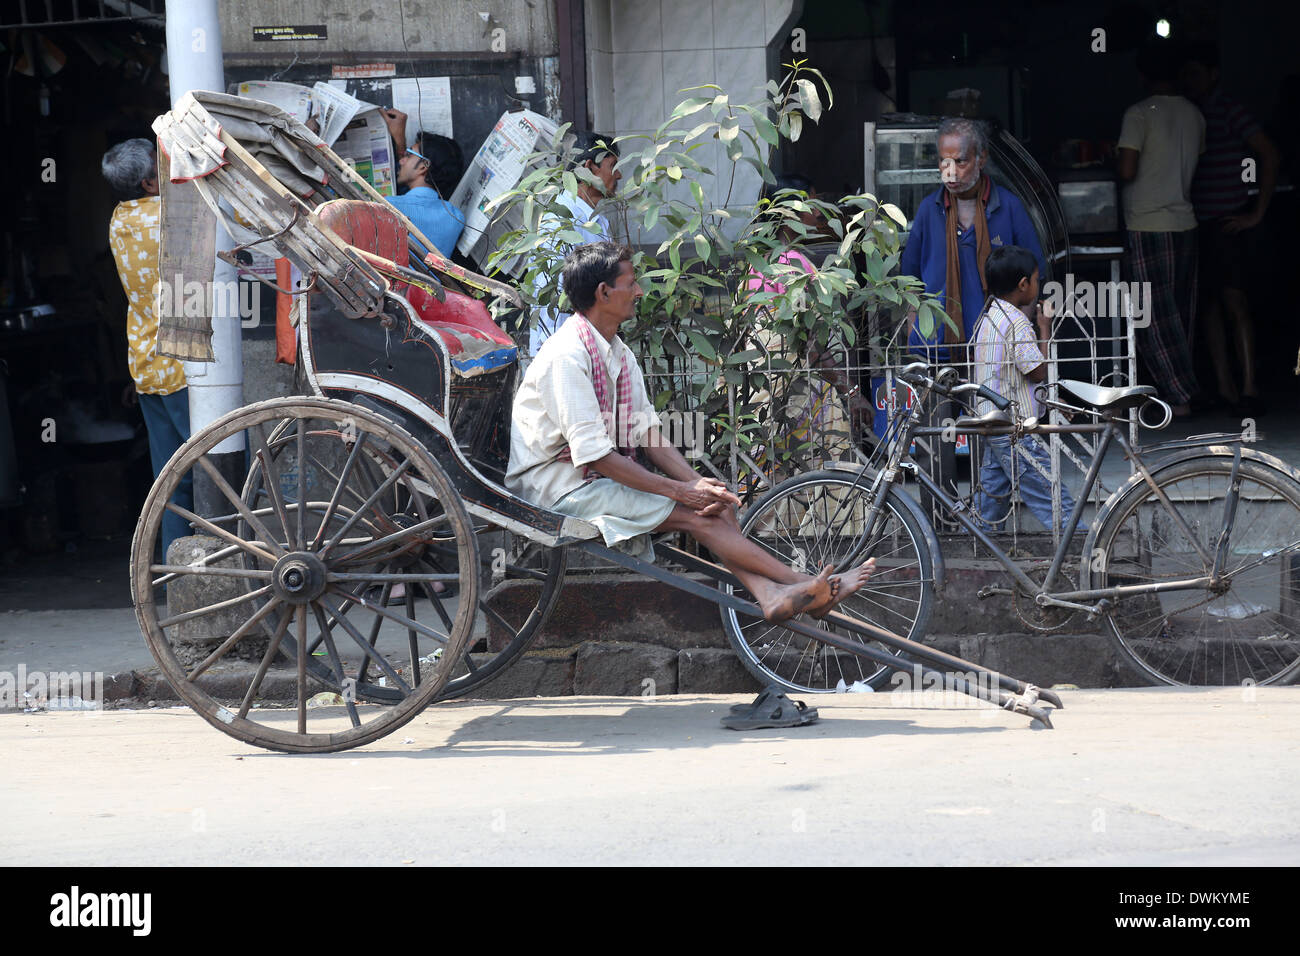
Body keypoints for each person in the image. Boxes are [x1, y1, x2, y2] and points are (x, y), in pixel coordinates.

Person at [506, 241, 875, 623]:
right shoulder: (566, 356)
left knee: (717, 507)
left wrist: (699, 485)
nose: (639, 292)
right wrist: (681, 492)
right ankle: (805, 584)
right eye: (631, 283)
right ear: (604, 293)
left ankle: (771, 594)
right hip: (559, 488)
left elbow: (648, 433)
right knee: (695, 513)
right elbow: (596, 455)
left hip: (594, 479)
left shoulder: (616, 351)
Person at [898, 116, 1047, 522]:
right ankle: (938, 524)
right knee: (934, 438)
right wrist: (915, 322)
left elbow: (1034, 275)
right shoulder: (930, 211)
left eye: (960, 161)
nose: (950, 171)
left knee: (990, 435)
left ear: (981, 159)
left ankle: (986, 527)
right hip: (936, 344)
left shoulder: (1007, 207)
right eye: (943, 162)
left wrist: (1021, 326)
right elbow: (908, 276)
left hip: (991, 346)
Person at [101, 138, 192, 561]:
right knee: (214, 465)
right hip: (184, 363)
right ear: (150, 182)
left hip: (147, 362)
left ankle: (176, 568)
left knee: (169, 475)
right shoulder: (169, 213)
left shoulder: (119, 219)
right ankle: (220, 563)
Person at [1181, 42, 1280, 417]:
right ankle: (1225, 388)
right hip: (1199, 223)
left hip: (1229, 222)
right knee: (1207, 308)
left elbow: (1269, 153)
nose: (1188, 81)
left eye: (1194, 72)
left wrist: (1257, 212)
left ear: (1212, 74)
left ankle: (1250, 386)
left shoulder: (1228, 110)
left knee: (1235, 302)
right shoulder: (1189, 113)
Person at [1115, 39, 1204, 416]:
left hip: (1148, 223)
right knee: (1179, 314)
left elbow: (1127, 170)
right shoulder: (1194, 114)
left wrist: (1113, 156)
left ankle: (1180, 395)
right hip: (1185, 222)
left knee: (1152, 315)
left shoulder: (1139, 113)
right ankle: (1180, 390)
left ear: (1141, 75)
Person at [969, 246, 1076, 532]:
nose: (1039, 286)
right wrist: (1044, 328)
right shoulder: (1016, 323)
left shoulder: (990, 316)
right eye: (1037, 280)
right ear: (1023, 285)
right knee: (1049, 493)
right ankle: (1080, 544)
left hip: (993, 421)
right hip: (1015, 427)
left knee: (992, 495)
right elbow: (1037, 371)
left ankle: (980, 544)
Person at [528, 130, 621, 355]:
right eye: (613, 167)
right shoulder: (559, 220)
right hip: (564, 349)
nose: (618, 176)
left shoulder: (598, 221)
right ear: (589, 168)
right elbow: (551, 294)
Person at [380, 108, 466, 259]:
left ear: (423, 166)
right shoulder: (456, 217)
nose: (401, 160)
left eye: (408, 154)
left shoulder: (386, 207)